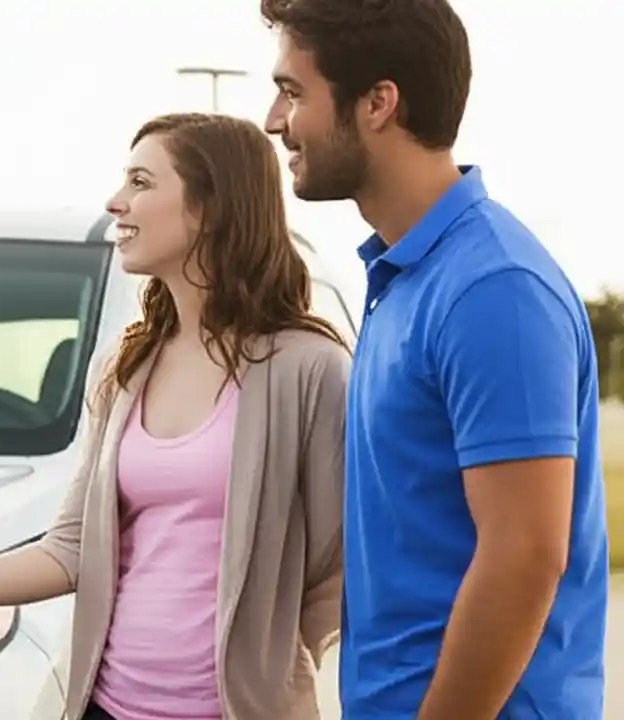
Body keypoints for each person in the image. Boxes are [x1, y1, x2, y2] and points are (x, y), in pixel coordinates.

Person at [0, 113, 351, 720]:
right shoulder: (129, 368)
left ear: (209, 206)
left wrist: (282, 674)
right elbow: (71, 550)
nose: (116, 201)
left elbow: (342, 569)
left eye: (141, 182)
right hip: (108, 706)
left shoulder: (311, 370)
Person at [260, 1, 609, 718]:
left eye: (293, 92)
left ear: (378, 103)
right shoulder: (408, 278)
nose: (273, 120)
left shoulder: (494, 289)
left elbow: (524, 556)